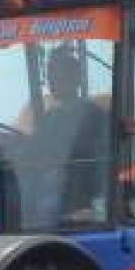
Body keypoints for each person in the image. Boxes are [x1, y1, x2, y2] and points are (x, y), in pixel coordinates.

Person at [27, 44, 109, 228]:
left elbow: (100, 161)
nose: (52, 82)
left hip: (81, 195)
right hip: (53, 190)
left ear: (75, 79)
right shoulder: (50, 118)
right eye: (50, 77)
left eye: (57, 76)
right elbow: (35, 152)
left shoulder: (95, 116)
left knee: (46, 207)